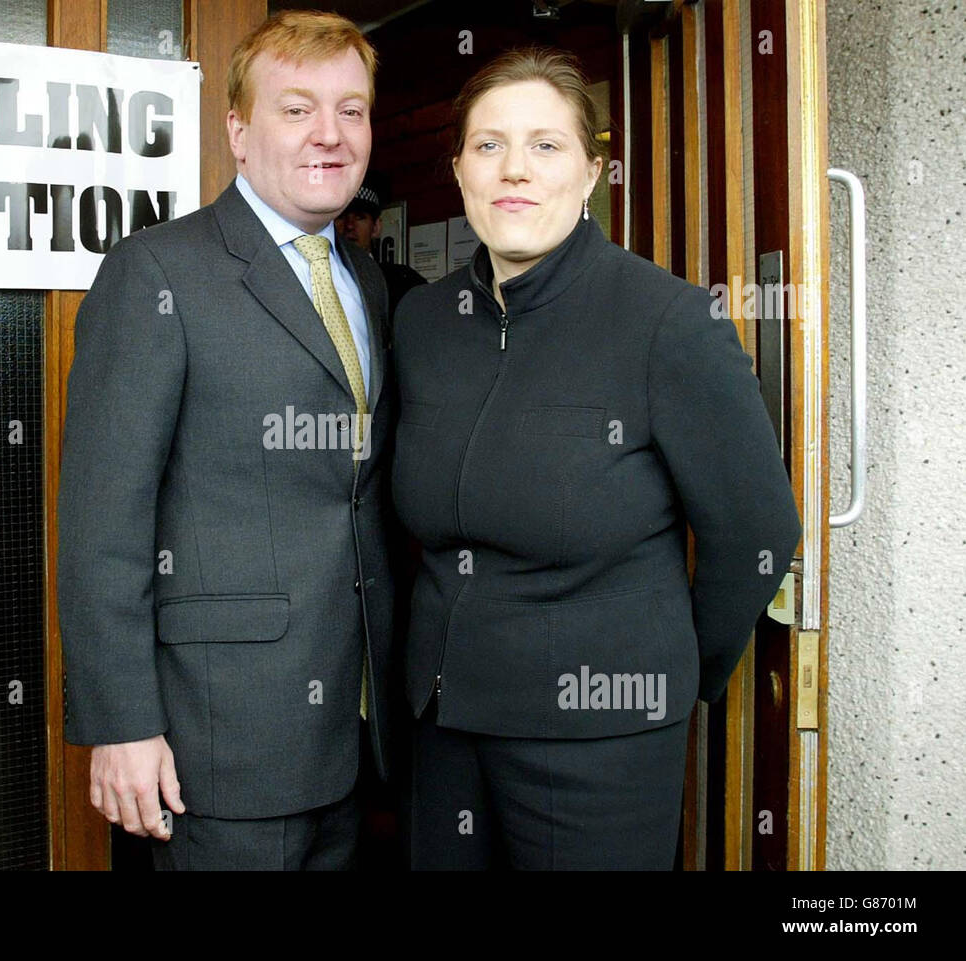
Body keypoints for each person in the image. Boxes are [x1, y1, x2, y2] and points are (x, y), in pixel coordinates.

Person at [390, 46, 802, 870]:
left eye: (547, 145)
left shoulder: (666, 322)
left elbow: (756, 531)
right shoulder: (424, 323)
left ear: (592, 173)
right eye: (489, 144)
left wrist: (667, 673)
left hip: (598, 743)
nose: (516, 169)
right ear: (461, 169)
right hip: (443, 725)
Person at [56, 10, 396, 871]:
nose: (330, 134)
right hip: (215, 749)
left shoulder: (367, 281)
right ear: (239, 132)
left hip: (353, 737)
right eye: (297, 109)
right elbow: (103, 521)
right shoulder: (157, 272)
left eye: (351, 110)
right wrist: (122, 724)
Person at [335, 173, 427, 339]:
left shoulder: (404, 282)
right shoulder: (319, 280)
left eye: (360, 217)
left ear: (376, 227)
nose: (349, 226)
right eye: (341, 217)